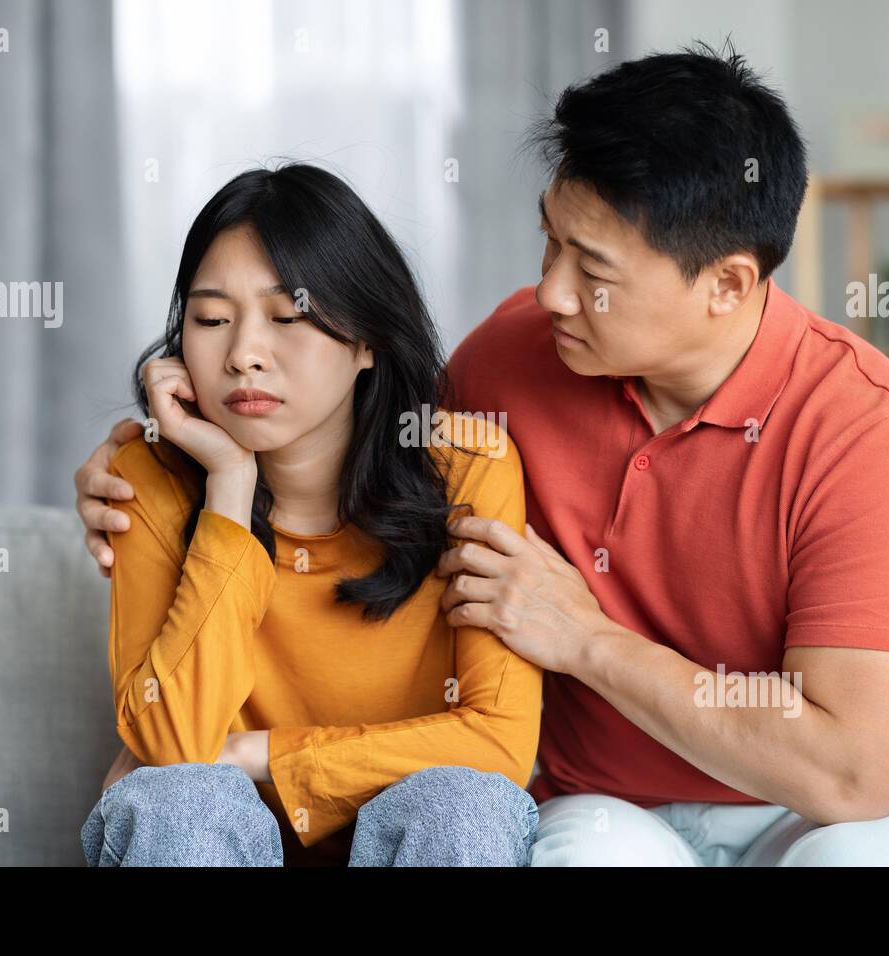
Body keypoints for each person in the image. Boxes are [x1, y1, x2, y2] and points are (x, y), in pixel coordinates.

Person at [78, 42, 889, 866]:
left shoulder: (871, 436)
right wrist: (156, 462)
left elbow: (854, 778)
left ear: (727, 283)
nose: (548, 290)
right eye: (550, 239)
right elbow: (346, 444)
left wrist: (588, 641)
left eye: (593, 270)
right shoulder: (506, 363)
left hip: (824, 814)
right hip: (600, 806)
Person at [77, 163, 542, 867]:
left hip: (414, 834)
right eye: (210, 320)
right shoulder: (148, 476)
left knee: (464, 806)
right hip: (222, 839)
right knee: (178, 803)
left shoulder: (467, 467)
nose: (243, 357)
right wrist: (228, 484)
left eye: (286, 318)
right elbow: (175, 750)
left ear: (366, 340)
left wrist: (259, 754)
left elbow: (498, 743)